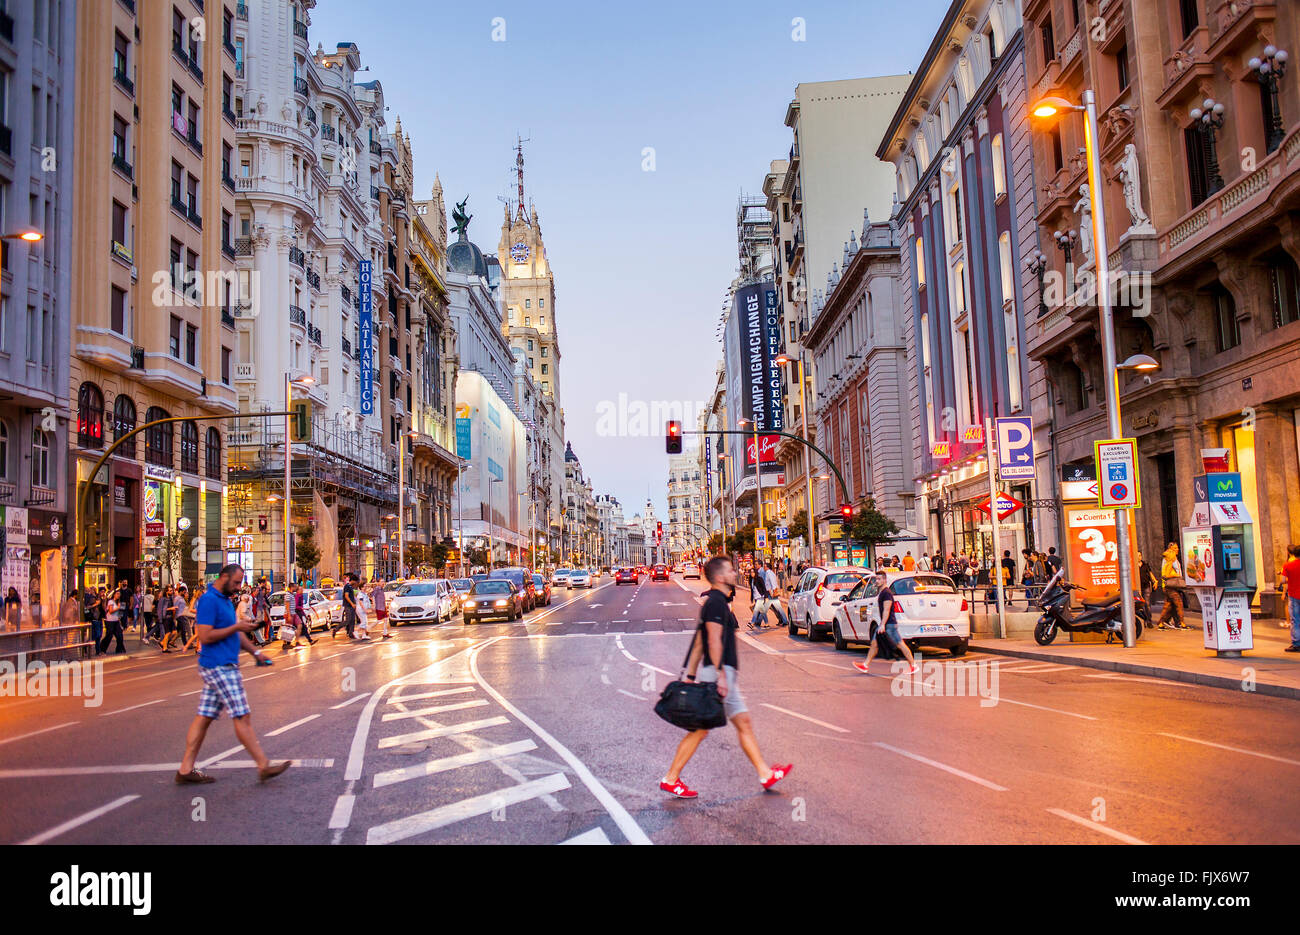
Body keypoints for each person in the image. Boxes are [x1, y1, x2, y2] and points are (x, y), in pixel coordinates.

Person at [659, 555, 792, 798]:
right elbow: (711, 639)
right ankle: (671, 778)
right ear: (720, 577)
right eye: (731, 570)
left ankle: (765, 773)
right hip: (720, 673)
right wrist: (719, 675)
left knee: (743, 723)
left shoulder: (714, 601)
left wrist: (690, 674)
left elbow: (700, 638)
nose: (735, 573)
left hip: (721, 672)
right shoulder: (716, 603)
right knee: (701, 729)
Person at [173, 563, 290, 785]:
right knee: (242, 715)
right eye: (236, 582)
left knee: (204, 717)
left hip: (221, 665)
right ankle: (263, 765)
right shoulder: (209, 600)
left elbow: (236, 633)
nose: (238, 588)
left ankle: (185, 769)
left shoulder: (226, 601)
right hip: (219, 666)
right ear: (223, 577)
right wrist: (236, 628)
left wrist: (256, 652)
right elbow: (205, 636)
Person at [854, 571, 918, 676]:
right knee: (874, 644)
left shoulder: (887, 593)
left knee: (900, 644)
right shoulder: (882, 592)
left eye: (879, 579)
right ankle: (865, 665)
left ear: (885, 580)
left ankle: (913, 665)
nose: (877, 581)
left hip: (889, 625)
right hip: (886, 624)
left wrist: (883, 624)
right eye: (876, 579)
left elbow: (887, 610)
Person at [1158, 543, 1187, 630]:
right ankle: (1182, 623)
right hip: (1171, 585)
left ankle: (1161, 623)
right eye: (1175, 548)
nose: (1177, 549)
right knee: (1179, 603)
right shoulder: (1170, 559)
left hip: (1171, 585)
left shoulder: (1172, 558)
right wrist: (1177, 576)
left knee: (1168, 605)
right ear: (1170, 549)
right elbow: (1165, 574)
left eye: (1177, 547)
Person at [1280, 545, 1300, 653]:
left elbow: (1282, 580)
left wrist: (1291, 578)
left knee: (1295, 620)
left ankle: (1297, 643)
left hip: (1294, 595)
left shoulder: (1288, 565)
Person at [97, 588, 126, 654]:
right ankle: (102, 649)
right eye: (117, 594)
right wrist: (118, 608)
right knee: (109, 636)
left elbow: (119, 612)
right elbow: (110, 611)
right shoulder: (111, 602)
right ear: (114, 595)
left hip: (116, 621)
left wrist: (120, 613)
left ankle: (119, 649)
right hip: (110, 621)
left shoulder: (118, 602)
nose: (118, 595)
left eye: (119, 594)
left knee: (120, 636)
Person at [334, 574, 358, 639]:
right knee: (348, 620)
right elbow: (346, 596)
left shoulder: (351, 587)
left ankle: (351, 633)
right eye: (355, 581)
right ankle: (336, 629)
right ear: (353, 580)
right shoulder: (347, 586)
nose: (356, 583)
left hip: (352, 606)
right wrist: (352, 603)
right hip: (348, 606)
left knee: (352, 620)